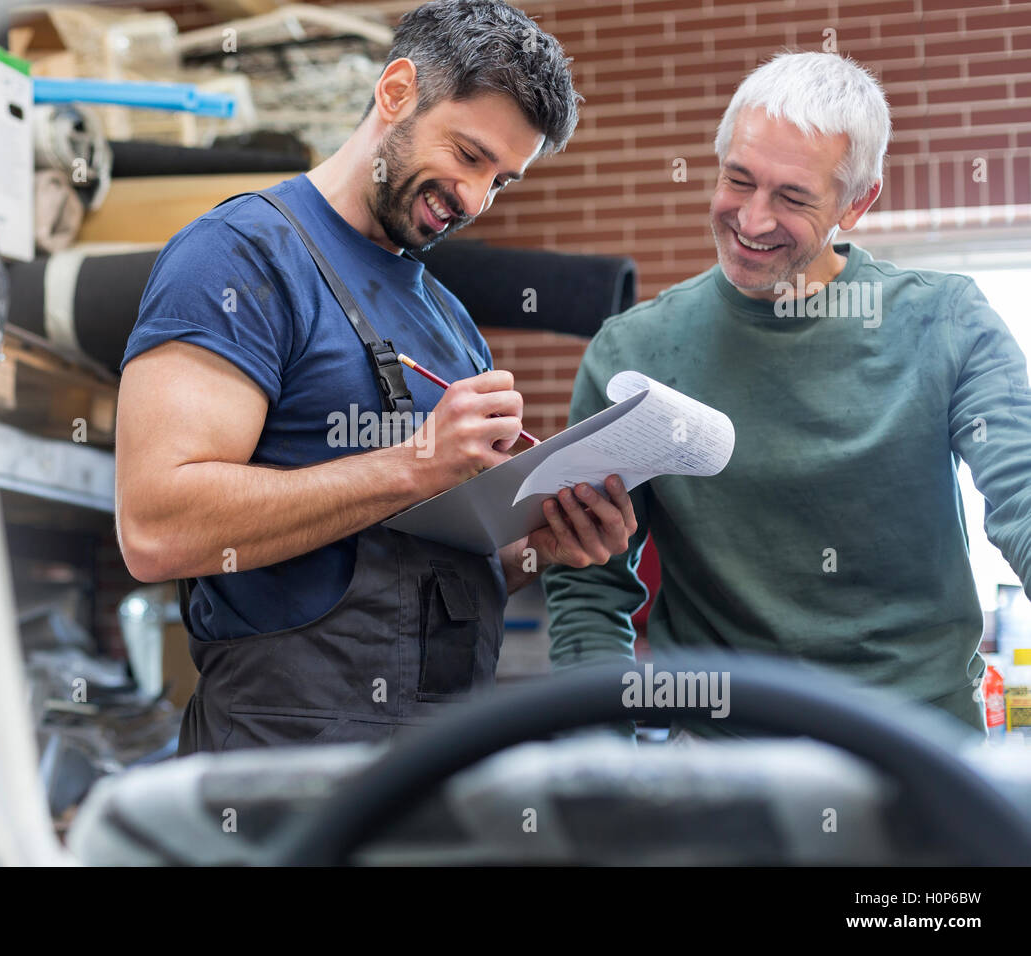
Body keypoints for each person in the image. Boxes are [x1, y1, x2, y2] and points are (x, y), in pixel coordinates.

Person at [116, 0, 637, 754]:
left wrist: (541, 547)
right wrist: (417, 464)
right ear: (396, 92)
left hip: (436, 761)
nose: (475, 200)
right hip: (280, 768)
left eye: (501, 180)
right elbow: (156, 528)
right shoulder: (240, 256)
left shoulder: (453, 325)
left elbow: (438, 576)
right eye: (468, 154)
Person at [544, 51, 1031, 735]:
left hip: (918, 752)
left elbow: (1022, 495)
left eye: (793, 198)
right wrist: (600, 757)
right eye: (737, 180)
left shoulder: (947, 321)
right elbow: (588, 580)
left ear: (857, 202)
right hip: (718, 759)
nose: (751, 220)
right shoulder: (632, 354)